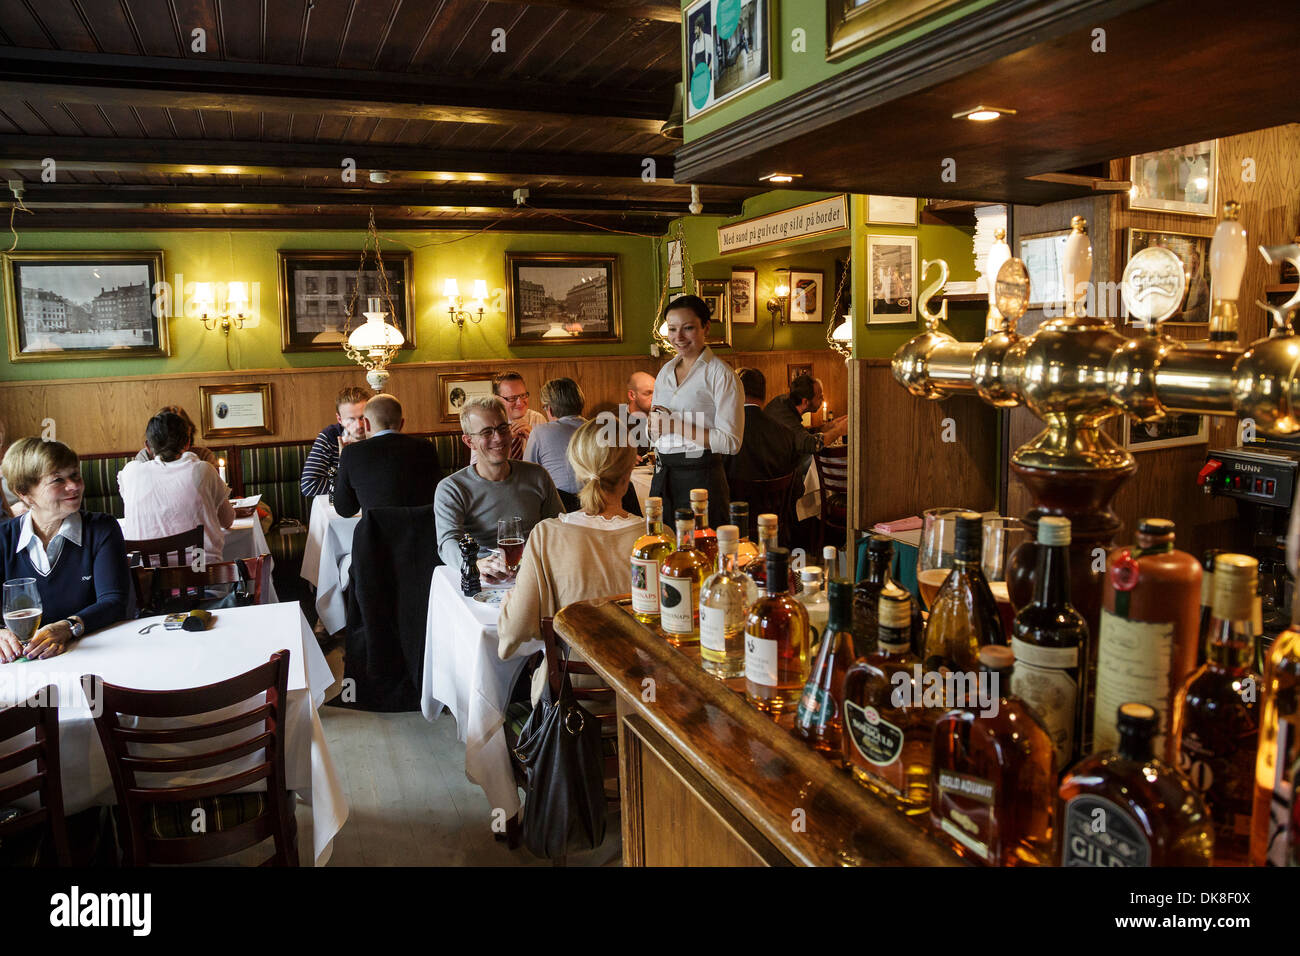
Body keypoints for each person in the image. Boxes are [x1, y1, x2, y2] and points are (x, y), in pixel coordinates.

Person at [498, 418, 643, 695]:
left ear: (577, 470)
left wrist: (509, 602)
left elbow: (515, 633)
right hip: (648, 698)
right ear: (628, 475)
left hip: (573, 700)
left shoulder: (547, 536)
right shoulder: (659, 539)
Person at [0, 438, 130, 662]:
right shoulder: (4, 539)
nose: (74, 486)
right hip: (22, 665)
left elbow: (114, 602)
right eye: (58, 479)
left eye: (75, 475)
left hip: (96, 657)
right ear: (24, 493)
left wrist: (68, 627)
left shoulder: (101, 529)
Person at [434, 395, 563, 584]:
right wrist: (476, 564)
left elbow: (559, 527)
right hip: (488, 578)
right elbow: (447, 543)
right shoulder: (452, 488)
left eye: (503, 428)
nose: (499, 438)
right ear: (469, 441)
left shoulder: (537, 475)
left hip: (538, 574)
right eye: (487, 432)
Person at [647, 295, 744, 529]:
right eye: (672, 329)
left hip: (702, 477)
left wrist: (674, 425)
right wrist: (653, 428)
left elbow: (731, 442)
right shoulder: (665, 372)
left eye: (688, 328)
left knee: (705, 555)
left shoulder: (722, 375)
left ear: (705, 327)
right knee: (665, 550)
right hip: (663, 475)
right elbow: (655, 429)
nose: (678, 337)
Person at [118, 410, 236, 564]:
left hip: (149, 582)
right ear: (187, 443)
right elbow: (227, 521)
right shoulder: (202, 471)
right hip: (200, 574)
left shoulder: (130, 473)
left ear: (148, 446)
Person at [333, 394, 443, 518]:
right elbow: (439, 495)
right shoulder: (426, 447)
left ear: (367, 424)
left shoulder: (351, 453)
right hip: (424, 533)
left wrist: (343, 462)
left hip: (375, 535)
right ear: (402, 423)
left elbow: (345, 509)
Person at [765, 373, 849, 479]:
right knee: (815, 459)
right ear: (805, 402)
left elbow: (799, 434)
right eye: (820, 397)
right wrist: (839, 430)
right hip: (776, 476)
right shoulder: (784, 415)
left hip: (778, 465)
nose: (822, 400)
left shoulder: (783, 402)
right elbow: (811, 444)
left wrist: (826, 428)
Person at [726, 368, 802, 483]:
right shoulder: (786, 435)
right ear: (764, 396)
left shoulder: (722, 434)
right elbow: (797, 488)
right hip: (777, 501)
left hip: (733, 501)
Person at [523, 378, 586, 511]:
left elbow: (528, 476)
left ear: (549, 409)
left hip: (561, 507)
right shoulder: (596, 428)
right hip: (599, 505)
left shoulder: (540, 432)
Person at [300, 385, 372, 499]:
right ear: (339, 419)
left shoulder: (380, 434)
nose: (359, 425)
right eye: (351, 419)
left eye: (362, 418)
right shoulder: (330, 437)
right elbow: (309, 486)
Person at [133, 405, 218, 470]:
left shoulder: (203, 455)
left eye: (179, 430)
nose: (172, 437)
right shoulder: (144, 457)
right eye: (166, 430)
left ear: (189, 433)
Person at [493, 371, 547, 460]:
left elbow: (549, 461)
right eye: (512, 398)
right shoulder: (489, 422)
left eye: (523, 395)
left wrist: (534, 440)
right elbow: (478, 464)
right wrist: (505, 442)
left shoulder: (538, 419)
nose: (520, 403)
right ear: (498, 399)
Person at [626, 370, 655, 459]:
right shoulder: (614, 421)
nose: (654, 398)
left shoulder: (663, 417)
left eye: (656, 392)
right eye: (648, 393)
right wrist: (624, 459)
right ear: (632, 395)